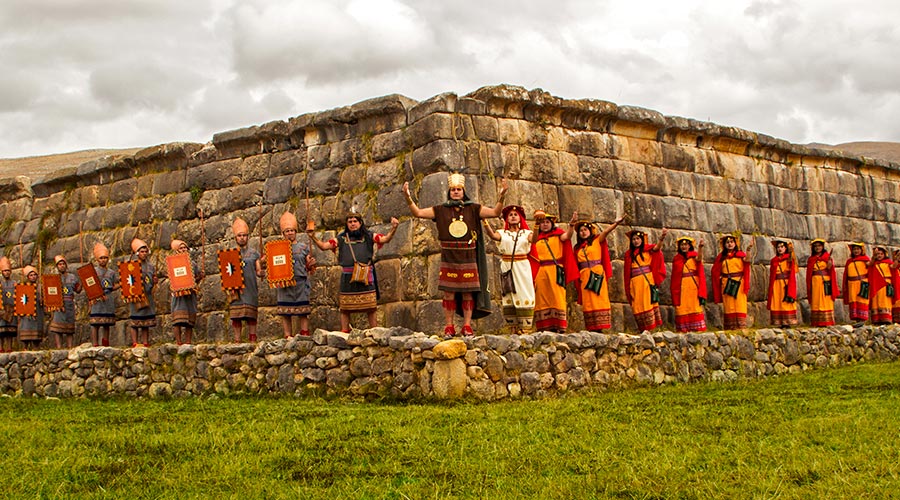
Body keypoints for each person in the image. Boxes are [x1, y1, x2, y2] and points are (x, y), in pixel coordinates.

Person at [403, 174, 506, 337]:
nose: (456, 192)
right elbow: (418, 213)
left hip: (468, 256)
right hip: (449, 257)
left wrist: (502, 196)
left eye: (458, 189)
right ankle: (449, 326)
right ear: (449, 192)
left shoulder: (474, 208)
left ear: (463, 191)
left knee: (467, 292)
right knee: (449, 293)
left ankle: (467, 326)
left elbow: (494, 212)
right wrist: (408, 197)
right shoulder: (440, 209)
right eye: (453, 190)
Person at [308, 212, 399, 332]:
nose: (352, 224)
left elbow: (385, 239)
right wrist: (313, 236)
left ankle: (375, 331)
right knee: (345, 308)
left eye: (355, 221)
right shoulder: (341, 238)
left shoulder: (369, 236)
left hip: (365, 275)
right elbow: (324, 246)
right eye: (350, 222)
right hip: (348, 277)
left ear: (360, 223)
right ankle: (344, 331)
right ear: (347, 224)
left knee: (371, 307)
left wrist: (394, 228)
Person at [482, 205, 536, 334]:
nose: (513, 217)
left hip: (522, 265)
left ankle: (525, 327)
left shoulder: (526, 233)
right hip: (507, 265)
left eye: (515, 215)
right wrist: (485, 222)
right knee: (509, 293)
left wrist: (537, 225)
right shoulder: (502, 233)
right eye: (510, 215)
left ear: (520, 218)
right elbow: (493, 236)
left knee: (524, 293)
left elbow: (534, 239)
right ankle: (513, 327)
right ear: (506, 219)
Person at [572, 216, 625, 332]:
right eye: (581, 231)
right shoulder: (577, 248)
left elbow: (606, 232)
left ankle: (600, 327)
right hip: (585, 275)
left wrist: (615, 223)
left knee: (599, 298)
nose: (583, 232)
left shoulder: (597, 240)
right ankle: (591, 327)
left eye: (585, 230)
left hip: (597, 273)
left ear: (590, 231)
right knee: (588, 301)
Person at [530, 210, 579, 333]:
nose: (545, 224)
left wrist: (572, 225)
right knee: (541, 298)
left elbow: (568, 236)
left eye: (547, 222)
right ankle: (544, 326)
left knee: (557, 296)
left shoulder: (558, 235)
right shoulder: (536, 238)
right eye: (542, 222)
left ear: (552, 223)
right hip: (540, 271)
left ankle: (559, 326)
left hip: (555, 269)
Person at [275, 211, 315, 338]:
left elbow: (309, 265)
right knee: (285, 312)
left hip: (300, 281)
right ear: (283, 233)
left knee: (303, 311)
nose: (290, 233)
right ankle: (287, 335)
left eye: (292, 230)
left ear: (295, 232)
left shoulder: (303, 247)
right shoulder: (277, 248)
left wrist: (310, 264)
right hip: (284, 282)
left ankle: (304, 333)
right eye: (287, 231)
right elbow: (271, 264)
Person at [623, 228, 667, 332]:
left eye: (638, 238)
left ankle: (651, 328)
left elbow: (657, 248)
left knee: (647, 302)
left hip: (646, 280)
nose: (636, 241)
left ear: (642, 240)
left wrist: (661, 238)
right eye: (633, 239)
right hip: (635, 282)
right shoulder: (629, 254)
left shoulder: (648, 250)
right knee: (637, 304)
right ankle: (642, 328)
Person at [228, 218, 263, 343]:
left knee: (251, 315)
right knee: (236, 316)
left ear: (247, 237)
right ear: (236, 238)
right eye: (239, 236)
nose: (242, 238)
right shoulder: (229, 254)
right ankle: (237, 339)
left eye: (244, 235)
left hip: (250, 288)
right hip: (236, 289)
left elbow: (258, 271)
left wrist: (263, 272)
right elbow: (226, 273)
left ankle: (252, 338)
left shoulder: (254, 253)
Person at [711, 235, 754, 330]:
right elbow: (715, 270)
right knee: (728, 304)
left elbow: (747, 261)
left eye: (731, 242)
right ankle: (730, 326)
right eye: (727, 242)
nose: (730, 244)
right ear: (724, 245)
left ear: (735, 243)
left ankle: (741, 325)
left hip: (738, 282)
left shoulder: (740, 255)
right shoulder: (722, 257)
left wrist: (748, 250)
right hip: (726, 283)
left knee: (739, 303)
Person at [671, 236, 708, 333]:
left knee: (694, 305)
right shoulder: (676, 259)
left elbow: (699, 259)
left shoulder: (694, 256)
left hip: (692, 286)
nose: (684, 247)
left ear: (689, 246)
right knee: (682, 306)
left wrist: (700, 248)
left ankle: (696, 327)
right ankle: (683, 328)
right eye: (682, 245)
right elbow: (675, 275)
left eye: (686, 245)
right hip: (681, 286)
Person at [169, 239, 201, 345]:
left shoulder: (193, 264)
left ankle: (188, 341)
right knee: (177, 320)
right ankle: (178, 342)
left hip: (189, 295)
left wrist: (200, 277)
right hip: (178, 295)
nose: (183, 250)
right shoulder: (172, 263)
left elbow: (195, 278)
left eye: (185, 248)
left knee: (189, 320)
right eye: (181, 248)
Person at [48, 255, 82, 349]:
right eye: (59, 264)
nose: (62, 266)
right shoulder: (54, 278)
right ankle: (59, 347)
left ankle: (70, 347)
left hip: (69, 304)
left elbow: (78, 290)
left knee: (69, 328)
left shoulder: (72, 277)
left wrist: (83, 280)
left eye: (63, 264)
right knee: (57, 329)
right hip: (59, 305)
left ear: (66, 265)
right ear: (57, 266)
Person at [89, 242, 119, 347]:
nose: (103, 260)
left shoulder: (111, 273)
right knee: (95, 323)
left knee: (107, 323)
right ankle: (95, 343)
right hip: (97, 299)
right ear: (97, 259)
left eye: (105, 258)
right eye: (101, 258)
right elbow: (89, 285)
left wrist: (120, 285)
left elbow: (114, 285)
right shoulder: (93, 271)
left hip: (108, 298)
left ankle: (105, 343)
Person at [129, 238, 157, 347]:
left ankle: (145, 342)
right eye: (141, 252)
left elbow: (151, 279)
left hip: (147, 294)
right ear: (137, 253)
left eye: (145, 252)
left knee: (146, 321)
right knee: (135, 321)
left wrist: (154, 281)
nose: (144, 254)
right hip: (136, 295)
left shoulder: (150, 266)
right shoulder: (132, 265)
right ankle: (135, 342)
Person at [806, 239, 838, 327]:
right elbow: (809, 272)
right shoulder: (811, 259)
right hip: (815, 282)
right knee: (816, 301)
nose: (817, 248)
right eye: (815, 246)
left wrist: (829, 265)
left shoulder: (827, 258)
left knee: (825, 300)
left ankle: (827, 321)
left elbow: (830, 270)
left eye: (819, 246)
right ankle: (817, 321)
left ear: (822, 247)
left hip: (825, 281)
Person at [767, 239, 799, 328]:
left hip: (786, 283)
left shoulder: (789, 259)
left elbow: (795, 270)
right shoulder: (774, 260)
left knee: (786, 302)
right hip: (776, 283)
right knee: (777, 301)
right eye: (778, 247)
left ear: (785, 248)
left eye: (782, 247)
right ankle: (779, 321)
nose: (780, 249)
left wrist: (792, 254)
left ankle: (787, 322)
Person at [842, 242, 870, 327]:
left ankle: (863, 319)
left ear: (862, 250)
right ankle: (856, 318)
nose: (856, 251)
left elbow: (870, 265)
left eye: (858, 249)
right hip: (852, 284)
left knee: (862, 299)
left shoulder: (865, 260)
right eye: (854, 249)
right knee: (853, 300)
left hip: (862, 283)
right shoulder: (849, 261)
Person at [867, 246, 896, 325]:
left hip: (885, 284)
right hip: (876, 285)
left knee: (885, 301)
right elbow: (870, 263)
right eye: (878, 254)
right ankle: (877, 319)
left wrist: (897, 259)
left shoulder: (888, 262)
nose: (879, 256)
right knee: (876, 301)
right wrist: (873, 255)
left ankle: (886, 318)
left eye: (881, 254)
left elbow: (894, 266)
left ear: (885, 254)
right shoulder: (874, 263)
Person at [17, 265, 43, 350]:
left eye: (34, 275)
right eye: (31, 275)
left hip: (37, 312)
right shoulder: (23, 287)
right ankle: (25, 349)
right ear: (28, 277)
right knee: (26, 332)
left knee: (36, 335)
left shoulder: (40, 287)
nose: (33, 277)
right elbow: (20, 301)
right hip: (27, 314)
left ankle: (36, 348)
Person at [0, 257, 17, 352]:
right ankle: (1, 347)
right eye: (4, 271)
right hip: (2, 308)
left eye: (8, 271)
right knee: (1, 329)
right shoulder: (0, 283)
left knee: (10, 330)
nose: (6, 273)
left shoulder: (14, 283)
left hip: (11, 308)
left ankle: (9, 347)